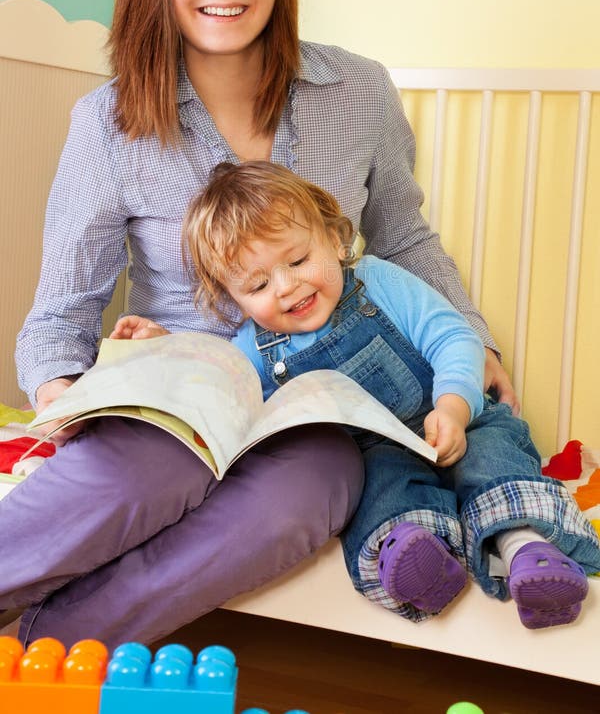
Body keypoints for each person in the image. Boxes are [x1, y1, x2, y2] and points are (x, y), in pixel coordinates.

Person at [2, 0, 509, 648]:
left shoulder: (360, 92)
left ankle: (53, 650)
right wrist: (63, 393)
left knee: (314, 491)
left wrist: (475, 343)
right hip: (178, 390)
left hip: (315, 404)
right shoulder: (107, 121)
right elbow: (64, 305)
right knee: (148, 471)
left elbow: (405, 238)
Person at [115, 161, 600, 629]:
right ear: (232, 297)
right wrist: (167, 350)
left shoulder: (377, 281)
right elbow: (221, 395)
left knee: (493, 459)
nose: (286, 287)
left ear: (333, 237)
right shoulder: (252, 348)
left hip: (457, 418)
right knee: (380, 491)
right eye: (258, 285)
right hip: (375, 456)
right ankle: (419, 560)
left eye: (298, 261)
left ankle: (526, 550)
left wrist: (453, 404)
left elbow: (452, 337)